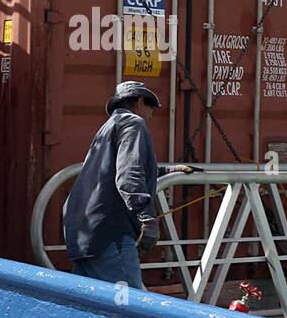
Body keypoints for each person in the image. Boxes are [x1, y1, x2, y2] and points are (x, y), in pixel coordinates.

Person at [62, 81, 191, 289]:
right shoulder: (133, 123)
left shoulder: (108, 127)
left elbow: (114, 168)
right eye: (150, 105)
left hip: (82, 231)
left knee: (92, 308)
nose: (152, 112)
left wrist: (168, 170)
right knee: (129, 307)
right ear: (139, 102)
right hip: (109, 231)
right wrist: (147, 218)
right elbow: (128, 174)